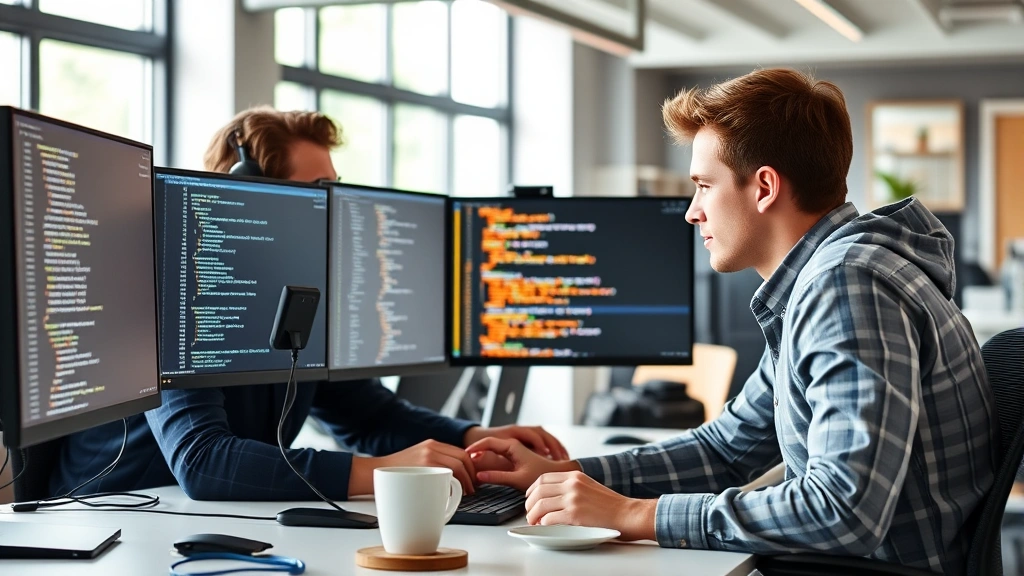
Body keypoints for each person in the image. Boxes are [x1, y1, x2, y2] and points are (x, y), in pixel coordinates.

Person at [467, 69, 996, 574]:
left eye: (703, 184)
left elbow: (844, 509)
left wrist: (632, 515)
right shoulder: (826, 281)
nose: (692, 211)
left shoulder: (847, 287)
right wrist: (571, 476)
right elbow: (727, 450)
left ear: (764, 187)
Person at [52, 106, 567, 501]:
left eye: (336, 191)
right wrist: (389, 470)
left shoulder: (303, 293)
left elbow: (367, 416)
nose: (338, 210)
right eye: (320, 192)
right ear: (248, 197)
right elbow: (203, 460)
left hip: (218, 520)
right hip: (120, 522)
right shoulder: (183, 295)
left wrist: (475, 437)